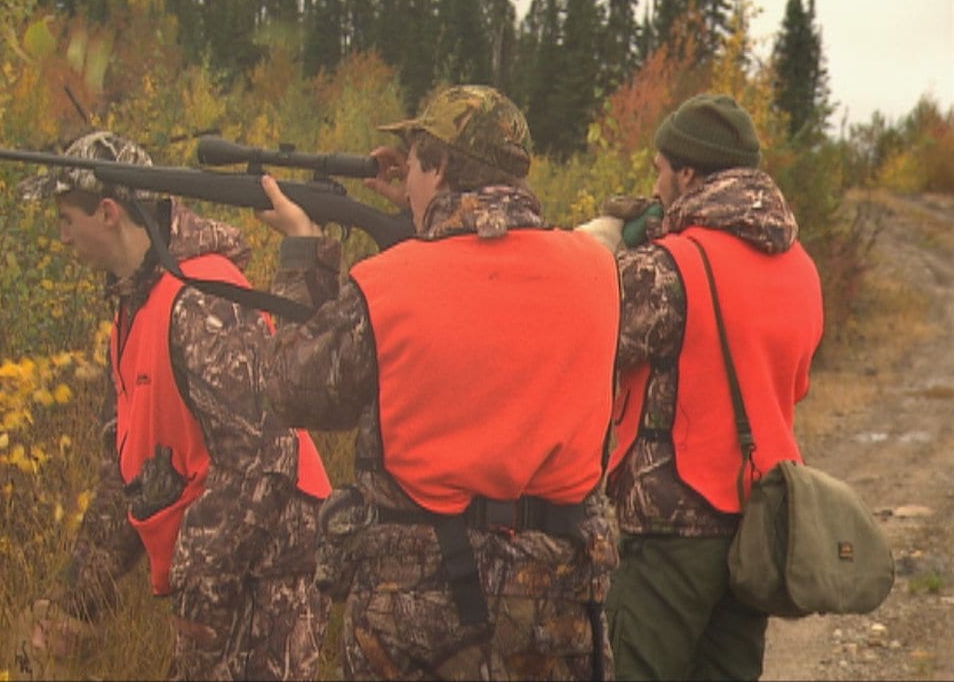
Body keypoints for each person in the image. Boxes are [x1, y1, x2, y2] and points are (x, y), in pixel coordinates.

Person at [256, 85, 621, 680]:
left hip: (419, 619)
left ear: (441, 166)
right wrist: (419, 208)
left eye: (417, 163)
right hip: (556, 607)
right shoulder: (595, 270)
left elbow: (292, 388)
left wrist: (302, 256)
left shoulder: (390, 284)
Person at [16, 130, 333, 681]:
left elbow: (263, 456)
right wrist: (75, 598)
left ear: (109, 212)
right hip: (225, 579)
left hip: (268, 577)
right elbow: (132, 475)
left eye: (67, 218)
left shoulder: (199, 299)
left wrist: (200, 593)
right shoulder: (138, 304)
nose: (63, 237)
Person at [601, 94, 824, 680]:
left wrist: (611, 247)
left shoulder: (666, 265)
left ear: (688, 173)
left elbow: (587, 346)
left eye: (659, 170)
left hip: (671, 526)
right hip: (760, 524)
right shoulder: (802, 267)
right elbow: (793, 386)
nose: (656, 183)